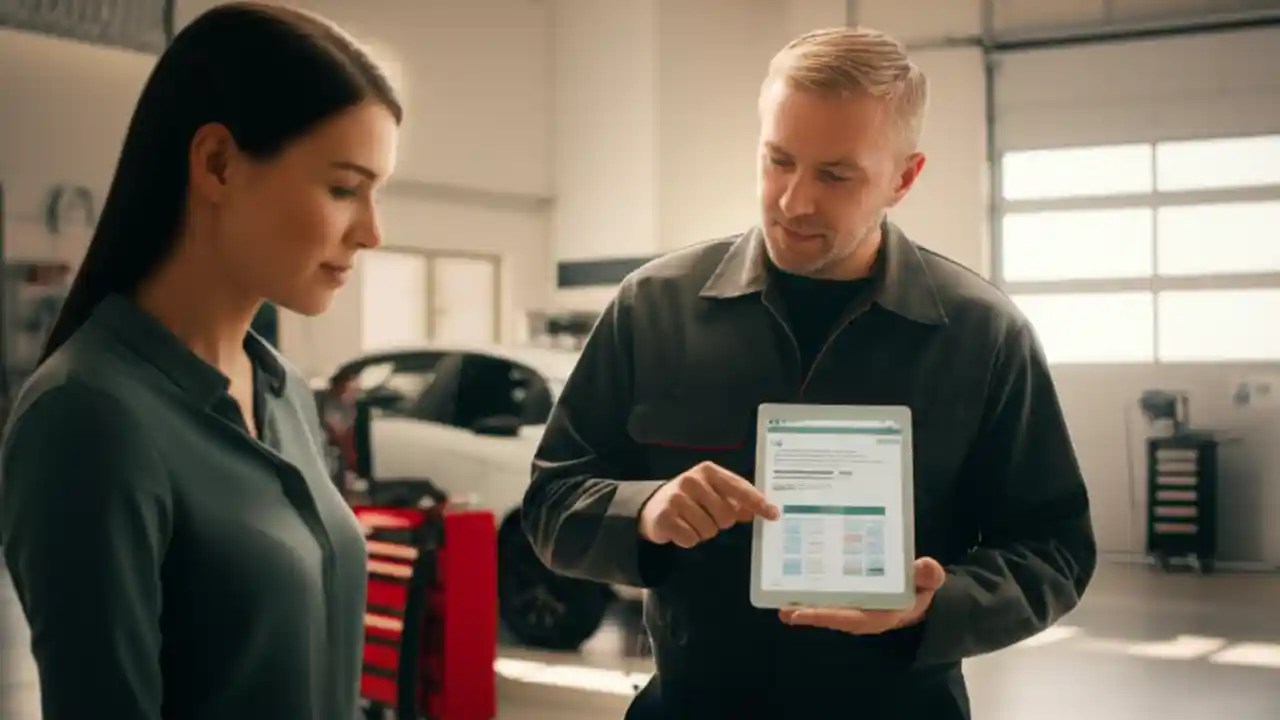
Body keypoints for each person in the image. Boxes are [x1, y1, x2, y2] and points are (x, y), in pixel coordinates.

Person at [522, 26, 1096, 720]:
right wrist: (643, 511)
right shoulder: (652, 309)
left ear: (904, 177)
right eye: (778, 161)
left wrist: (938, 604)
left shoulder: (982, 335)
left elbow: (1055, 547)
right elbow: (552, 501)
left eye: (835, 174)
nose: (793, 201)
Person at [0, 3, 399, 718]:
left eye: (376, 194)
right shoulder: (89, 419)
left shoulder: (282, 394)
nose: (372, 231)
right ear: (217, 163)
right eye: (344, 188)